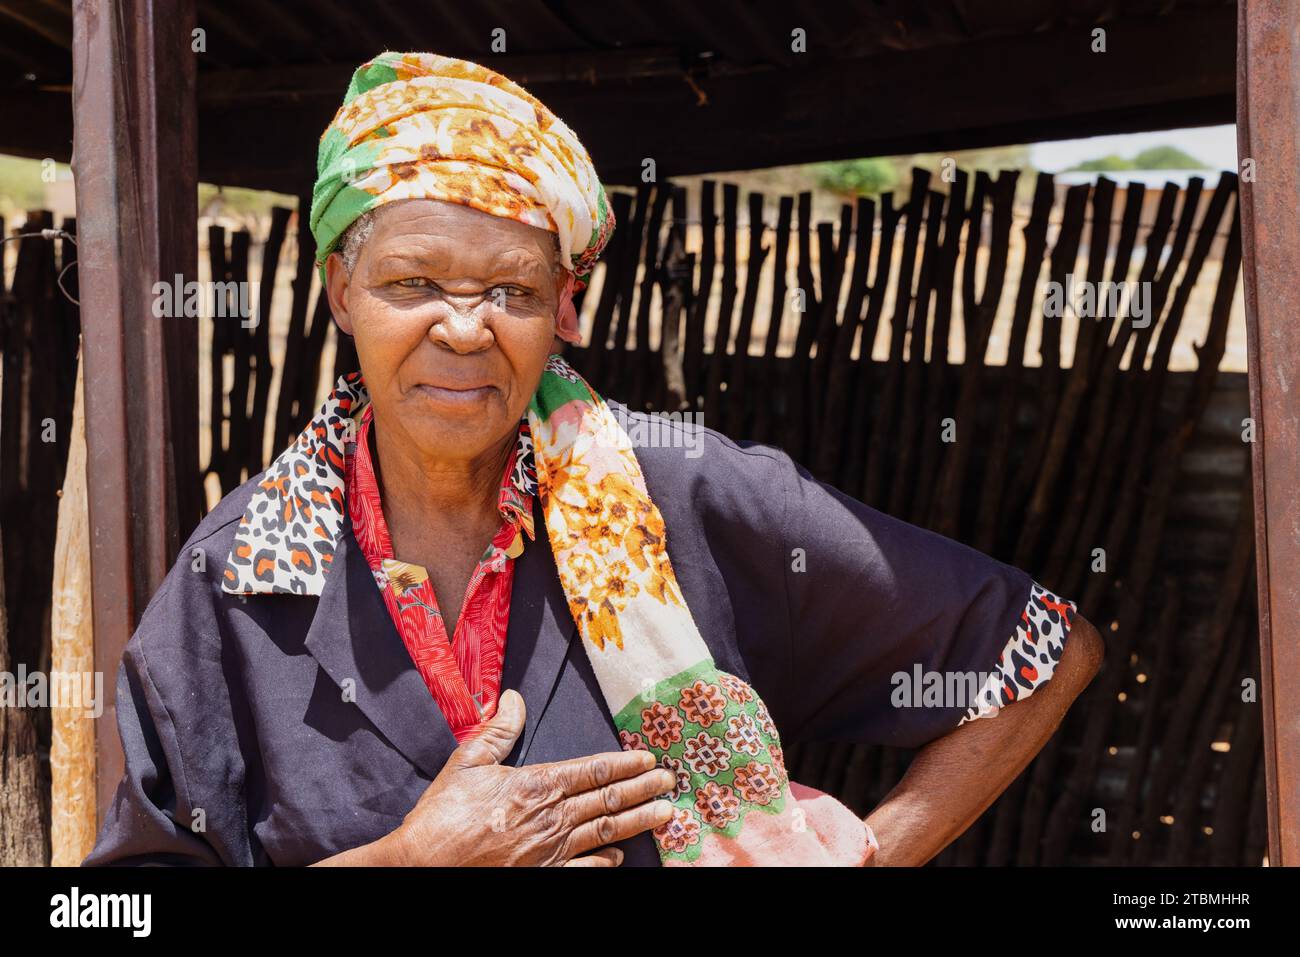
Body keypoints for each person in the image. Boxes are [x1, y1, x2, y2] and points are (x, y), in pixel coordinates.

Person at [85, 52, 1102, 867]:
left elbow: (1045, 652)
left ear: (563, 308)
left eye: (513, 292)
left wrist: (881, 853)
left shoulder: (681, 500)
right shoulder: (241, 581)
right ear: (339, 288)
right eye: (411, 281)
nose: (463, 328)